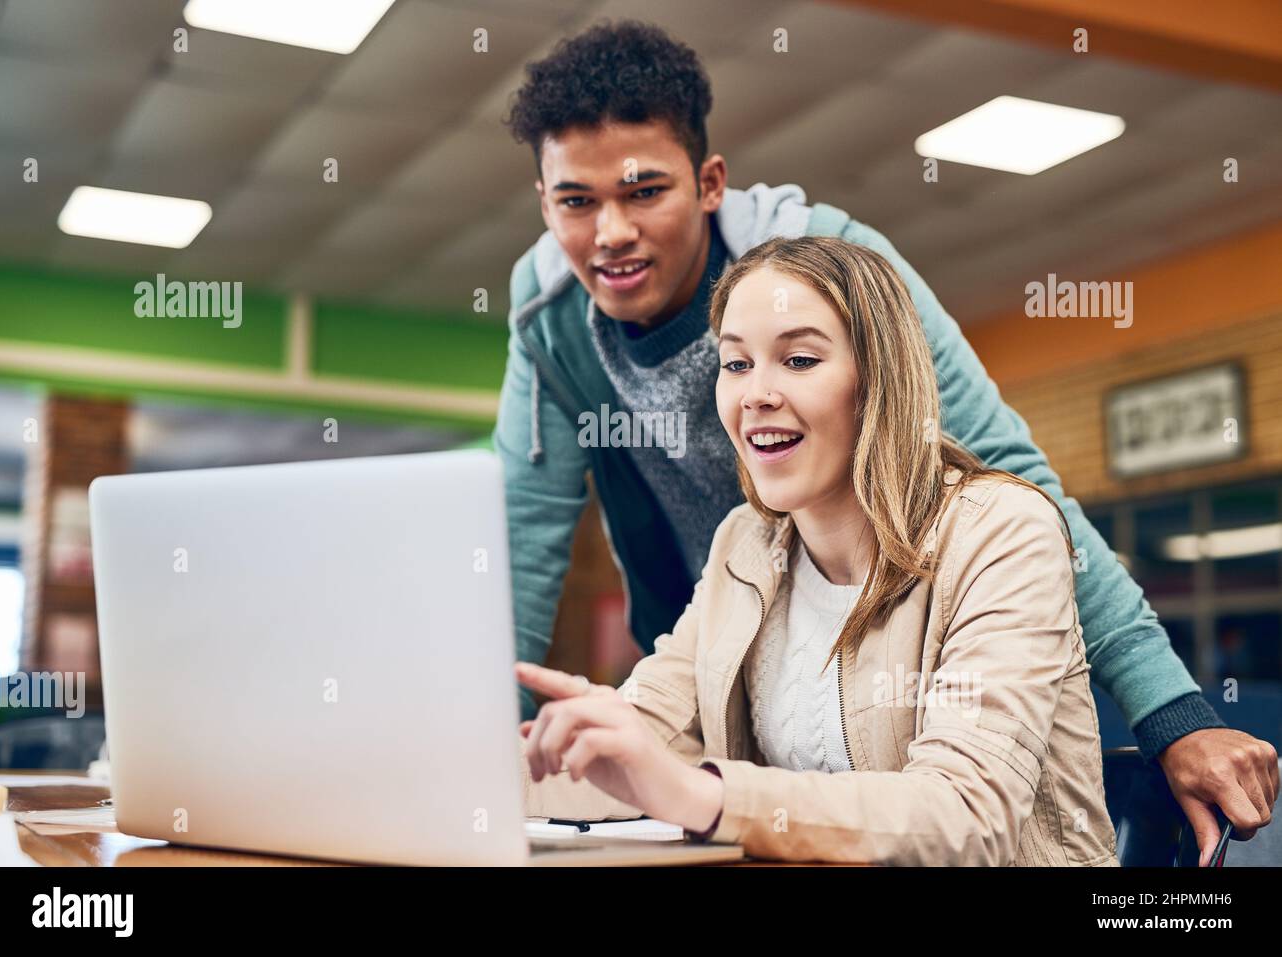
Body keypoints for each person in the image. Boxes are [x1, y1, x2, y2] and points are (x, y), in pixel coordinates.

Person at [493, 20, 1276, 863]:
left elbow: (1018, 488)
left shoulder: (853, 294)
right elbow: (521, 539)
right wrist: (464, 756)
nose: (610, 230)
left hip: (911, 610)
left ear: (710, 183)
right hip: (753, 611)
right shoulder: (737, 544)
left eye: (644, 190)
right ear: (545, 203)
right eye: (577, 200)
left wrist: (1172, 712)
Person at [517, 237, 1117, 865]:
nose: (755, 395)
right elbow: (643, 739)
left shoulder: (1000, 533)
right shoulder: (744, 544)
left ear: (878, 380)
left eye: (799, 360)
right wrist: (458, 772)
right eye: (736, 363)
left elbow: (966, 818)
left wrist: (705, 796)